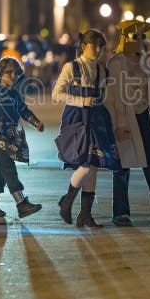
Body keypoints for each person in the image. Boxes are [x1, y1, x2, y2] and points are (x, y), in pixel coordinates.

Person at [105, 19, 150, 226]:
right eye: (135, 36)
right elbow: (116, 96)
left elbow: (149, 89)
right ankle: (120, 213)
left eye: (142, 36)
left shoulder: (146, 61)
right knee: (121, 167)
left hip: (143, 117)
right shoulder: (116, 63)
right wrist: (119, 125)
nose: (140, 40)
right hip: (124, 119)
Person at [53, 29, 121, 228]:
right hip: (77, 119)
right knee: (86, 164)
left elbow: (107, 100)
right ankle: (67, 201)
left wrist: (115, 125)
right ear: (83, 46)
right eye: (94, 45)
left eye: (101, 46)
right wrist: (82, 101)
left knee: (93, 167)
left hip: (98, 119)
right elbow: (57, 94)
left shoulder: (103, 70)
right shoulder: (71, 67)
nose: (98, 50)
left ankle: (85, 215)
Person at [0, 56, 45, 219]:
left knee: (1, 170)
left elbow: (24, 111)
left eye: (16, 72)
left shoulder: (14, 94)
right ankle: (21, 203)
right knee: (8, 168)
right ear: (0, 73)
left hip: (11, 137)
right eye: (9, 72)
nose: (13, 75)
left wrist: (35, 122)